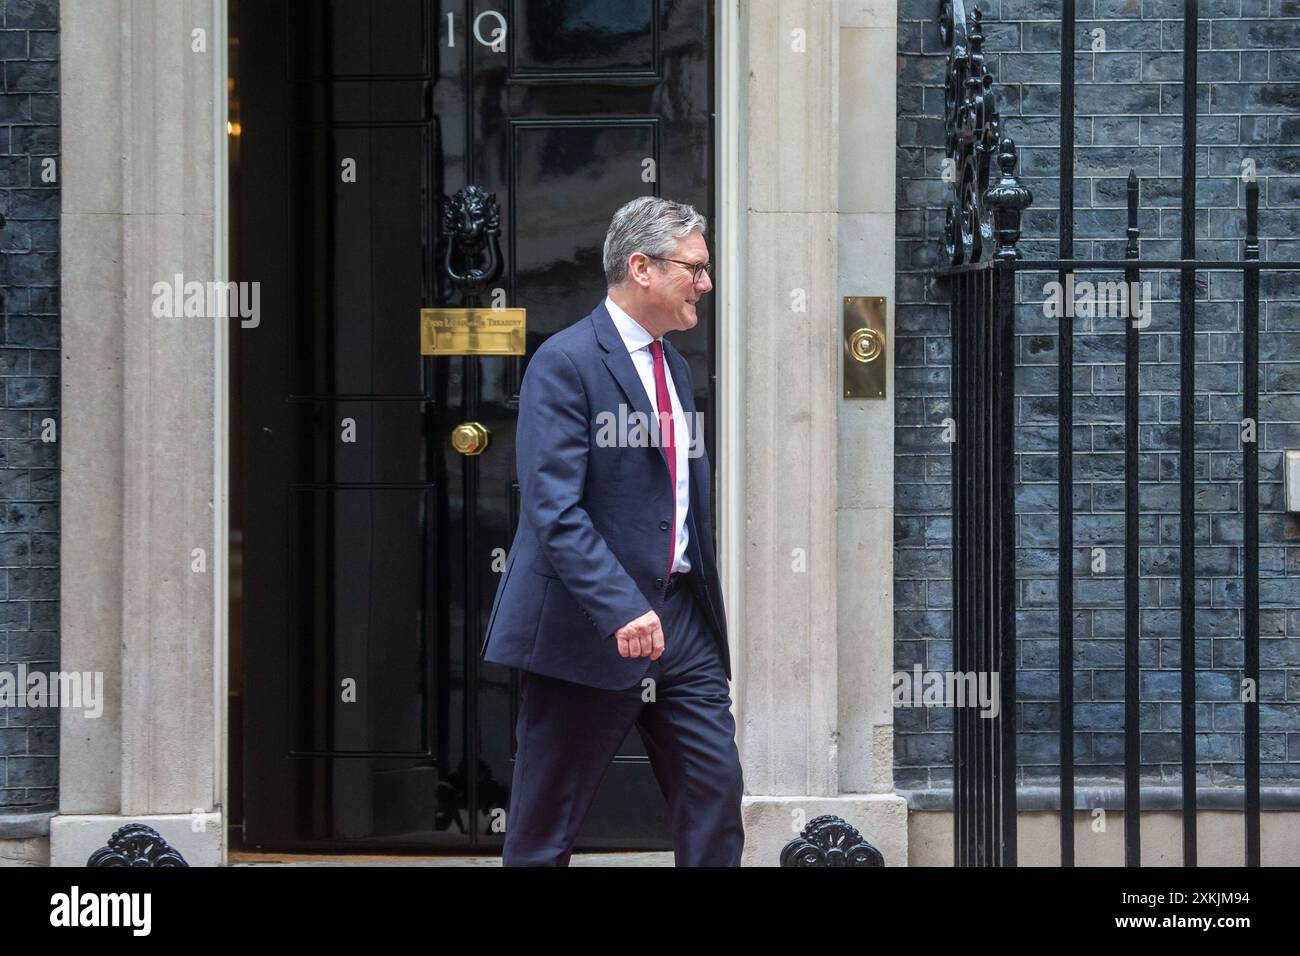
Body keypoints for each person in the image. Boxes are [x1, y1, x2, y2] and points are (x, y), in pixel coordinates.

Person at [479, 195, 744, 866]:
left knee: (714, 791)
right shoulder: (565, 363)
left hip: (681, 621)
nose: (706, 285)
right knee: (547, 822)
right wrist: (620, 604)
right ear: (642, 267)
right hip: (587, 621)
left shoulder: (675, 369)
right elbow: (553, 506)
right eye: (696, 269)